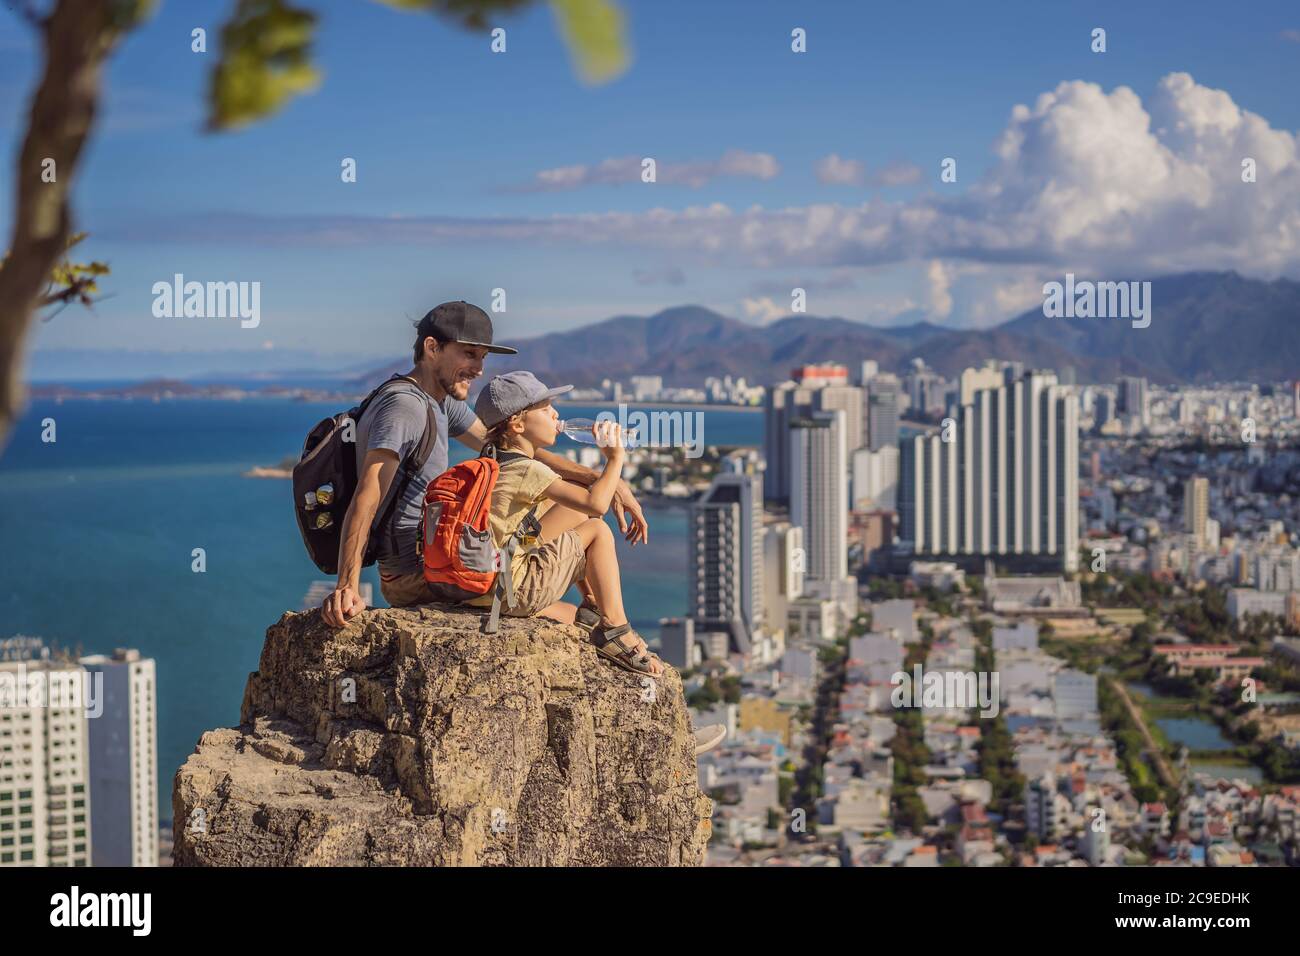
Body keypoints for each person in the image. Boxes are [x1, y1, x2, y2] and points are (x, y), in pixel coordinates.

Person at [320, 301, 650, 628]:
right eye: (469, 354)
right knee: (582, 534)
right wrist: (347, 585)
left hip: (445, 557)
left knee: (569, 510)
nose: (479, 369)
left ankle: (589, 609)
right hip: (422, 573)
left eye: (482, 357)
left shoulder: (440, 401)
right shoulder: (405, 407)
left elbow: (506, 448)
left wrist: (600, 479)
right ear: (432, 348)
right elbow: (368, 495)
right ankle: (608, 626)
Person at [469, 370, 663, 676]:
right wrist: (614, 459)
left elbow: (580, 505)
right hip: (513, 589)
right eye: (545, 410)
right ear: (517, 424)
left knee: (572, 512)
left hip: (490, 580)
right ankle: (614, 628)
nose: (556, 414)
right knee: (597, 531)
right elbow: (596, 504)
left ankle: (593, 607)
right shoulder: (527, 470)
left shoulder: (492, 458)